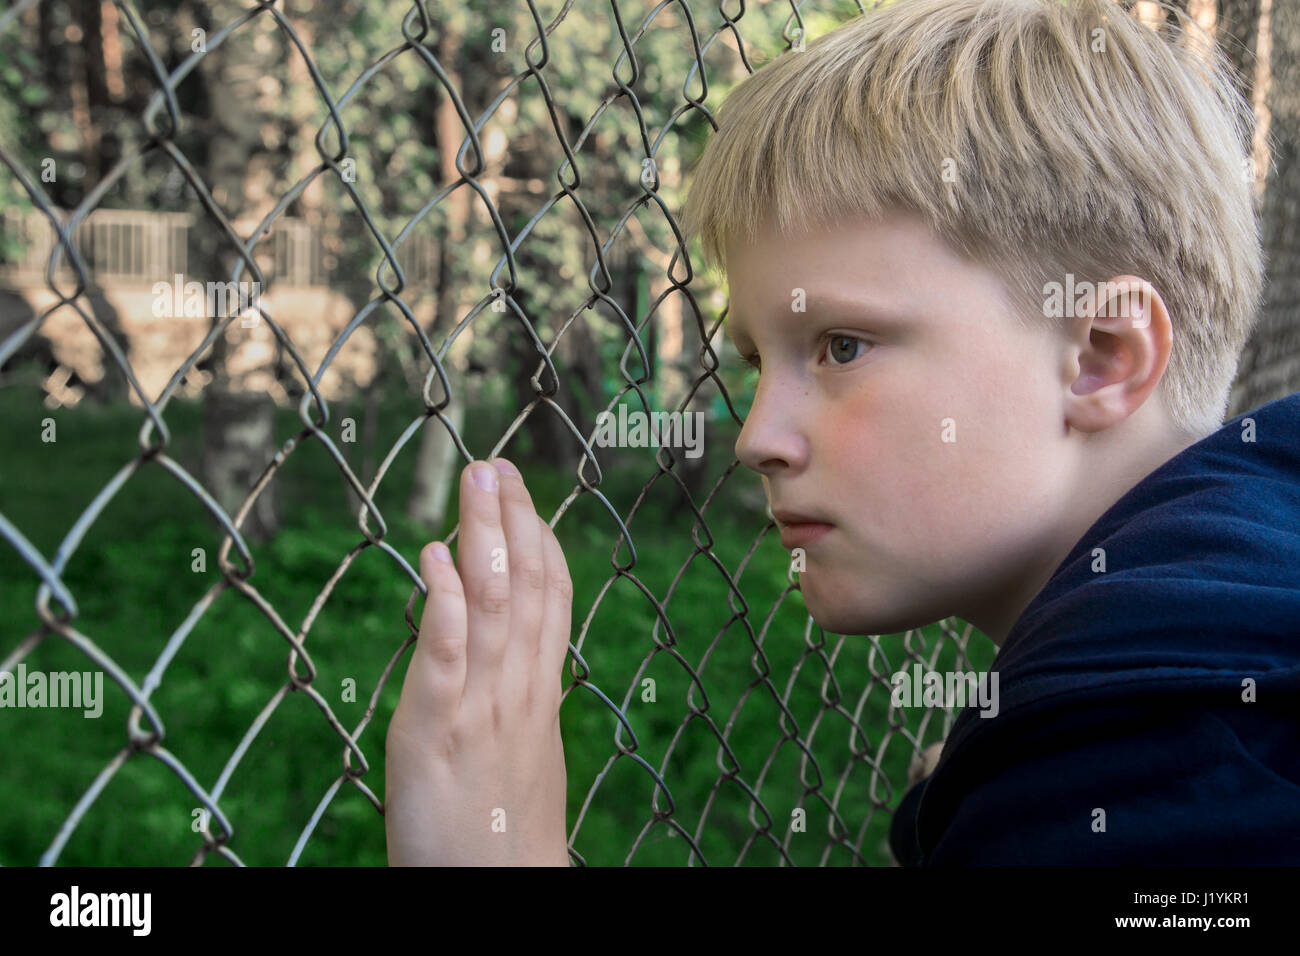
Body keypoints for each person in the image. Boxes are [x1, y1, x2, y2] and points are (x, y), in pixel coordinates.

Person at [384, 0, 1300, 865]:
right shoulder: (1204, 657)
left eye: (841, 346)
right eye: (753, 358)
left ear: (1100, 355)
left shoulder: (1169, 776)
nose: (757, 438)